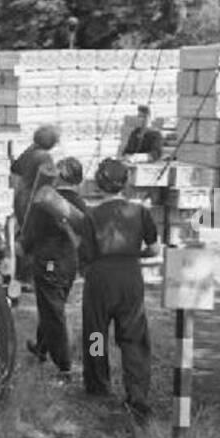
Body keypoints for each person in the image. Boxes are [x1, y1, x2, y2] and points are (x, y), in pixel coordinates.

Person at [80, 158, 159, 423]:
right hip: (130, 276)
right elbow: (155, 249)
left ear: (99, 183)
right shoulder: (140, 212)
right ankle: (137, 394)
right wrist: (138, 252)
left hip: (100, 278)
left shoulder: (90, 216)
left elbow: (86, 254)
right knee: (133, 335)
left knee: (96, 333)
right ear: (126, 182)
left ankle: (98, 385)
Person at [21, 157, 87, 378]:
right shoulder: (80, 203)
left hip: (49, 260)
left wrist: (24, 248)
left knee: (53, 311)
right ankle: (41, 348)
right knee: (51, 306)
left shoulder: (45, 201)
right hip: (70, 262)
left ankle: (64, 365)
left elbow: (31, 233)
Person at [6, 124, 60, 287]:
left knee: (24, 234)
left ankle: (21, 274)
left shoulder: (30, 151)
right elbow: (51, 179)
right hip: (33, 199)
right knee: (35, 237)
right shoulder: (44, 157)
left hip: (21, 197)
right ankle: (29, 277)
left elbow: (15, 168)